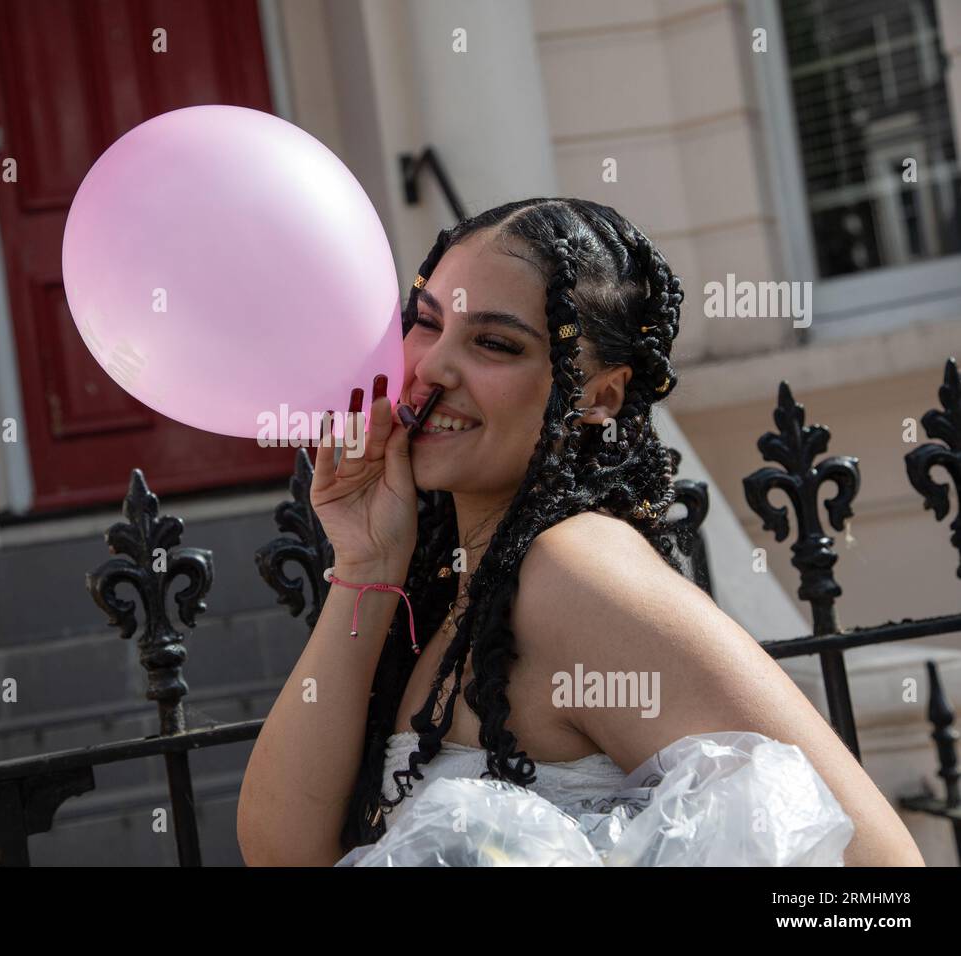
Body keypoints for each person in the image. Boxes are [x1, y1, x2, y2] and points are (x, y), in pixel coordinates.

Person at [236, 198, 925, 867]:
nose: (432, 368)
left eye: (495, 344)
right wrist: (366, 562)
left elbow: (879, 871)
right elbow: (286, 852)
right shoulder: (449, 585)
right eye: (425, 323)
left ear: (598, 397)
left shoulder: (576, 573)